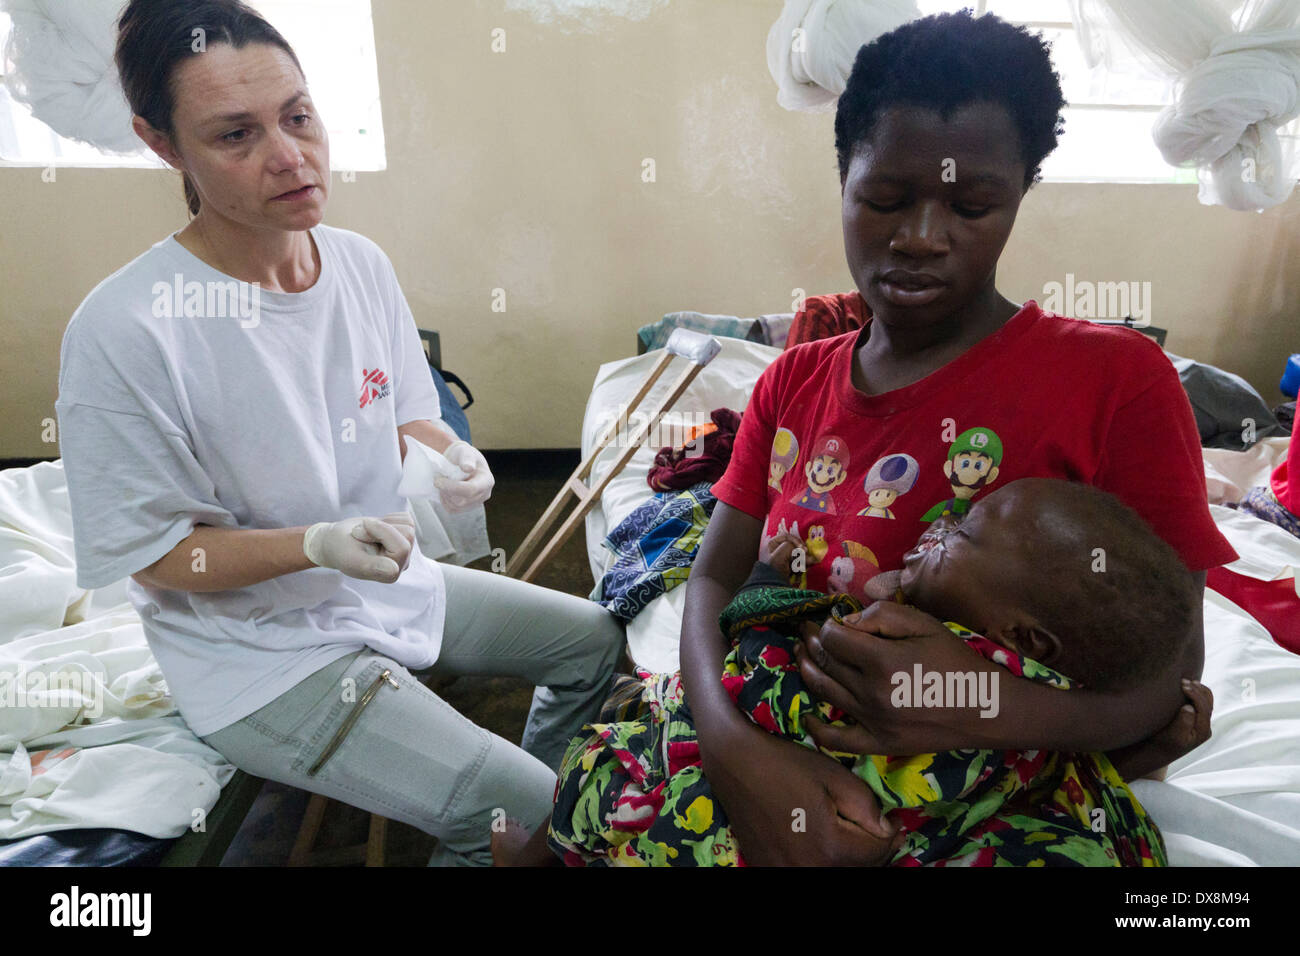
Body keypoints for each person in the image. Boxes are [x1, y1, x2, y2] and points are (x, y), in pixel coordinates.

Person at [54, 0, 623, 866]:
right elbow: (160, 557)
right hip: (256, 659)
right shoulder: (128, 328)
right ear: (163, 144)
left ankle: (506, 831)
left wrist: (448, 458)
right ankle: (514, 827)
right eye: (236, 135)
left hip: (383, 585)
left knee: (591, 644)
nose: (289, 157)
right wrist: (314, 544)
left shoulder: (357, 264)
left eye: (299, 116)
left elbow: (404, 412)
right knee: (528, 815)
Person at [677, 9, 1238, 866]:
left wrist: (978, 702)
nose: (922, 238)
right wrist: (736, 753)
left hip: (990, 800)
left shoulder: (1114, 384)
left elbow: (1166, 667)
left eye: (973, 206)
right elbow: (714, 576)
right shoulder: (793, 381)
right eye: (886, 199)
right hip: (779, 754)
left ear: (1020, 193)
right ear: (843, 179)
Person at [495, 478, 1211, 866]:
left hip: (800, 819)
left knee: (606, 756)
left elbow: (773, 678)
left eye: (960, 533)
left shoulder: (889, 639)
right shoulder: (1057, 687)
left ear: (1022, 637)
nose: (937, 527)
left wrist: (781, 605)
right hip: (931, 818)